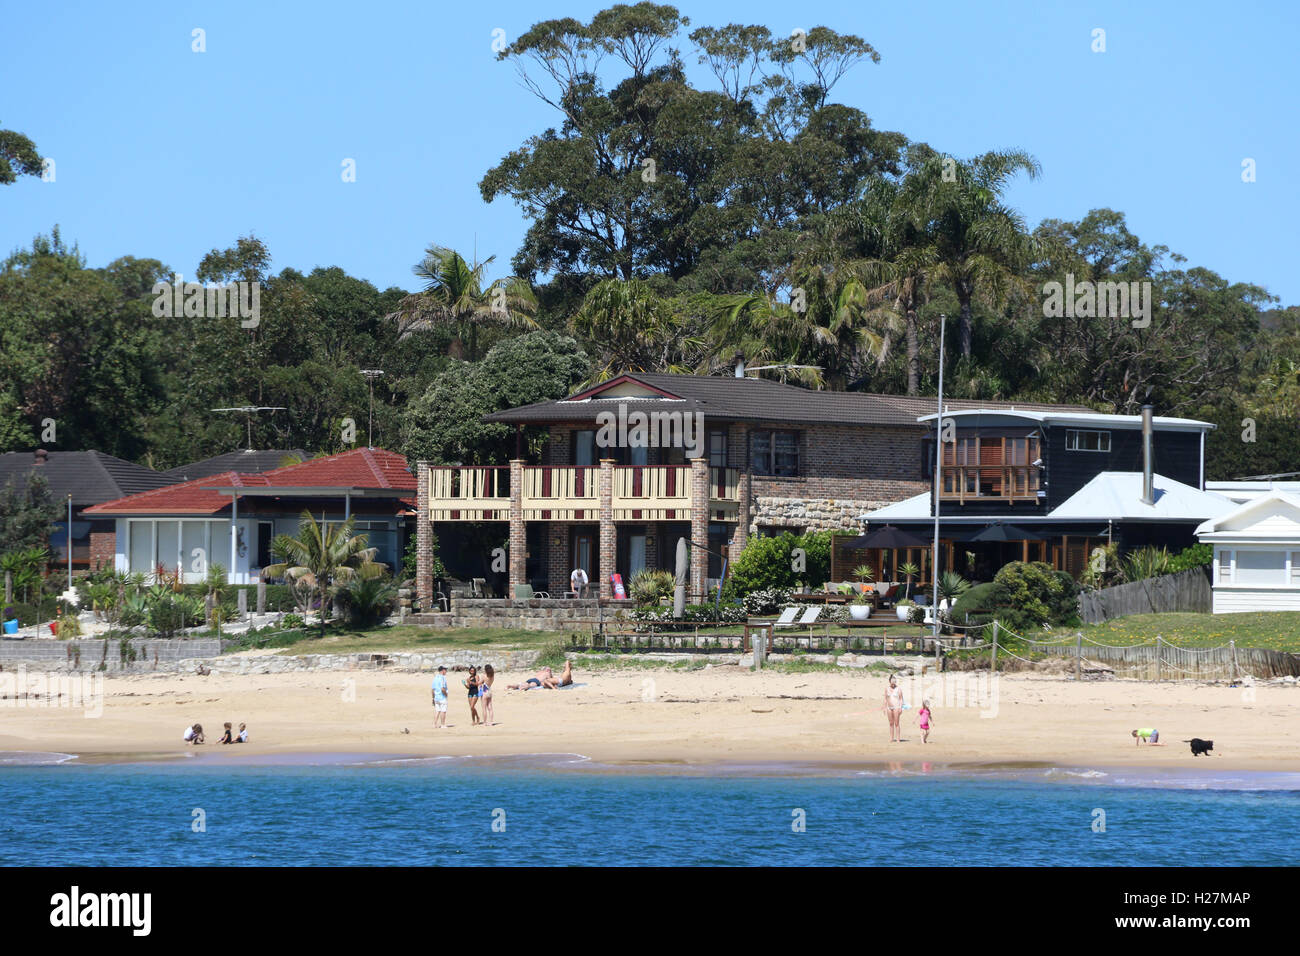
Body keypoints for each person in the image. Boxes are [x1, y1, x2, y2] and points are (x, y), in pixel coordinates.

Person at [884, 676, 904, 743]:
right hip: (889, 708)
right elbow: (885, 699)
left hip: (896, 707)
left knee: (897, 723)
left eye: (894, 682)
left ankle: (898, 739)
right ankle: (891, 738)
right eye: (892, 682)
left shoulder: (898, 689)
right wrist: (884, 707)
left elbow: (901, 699)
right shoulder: (887, 689)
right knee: (891, 723)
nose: (893, 684)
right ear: (889, 682)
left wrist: (901, 707)